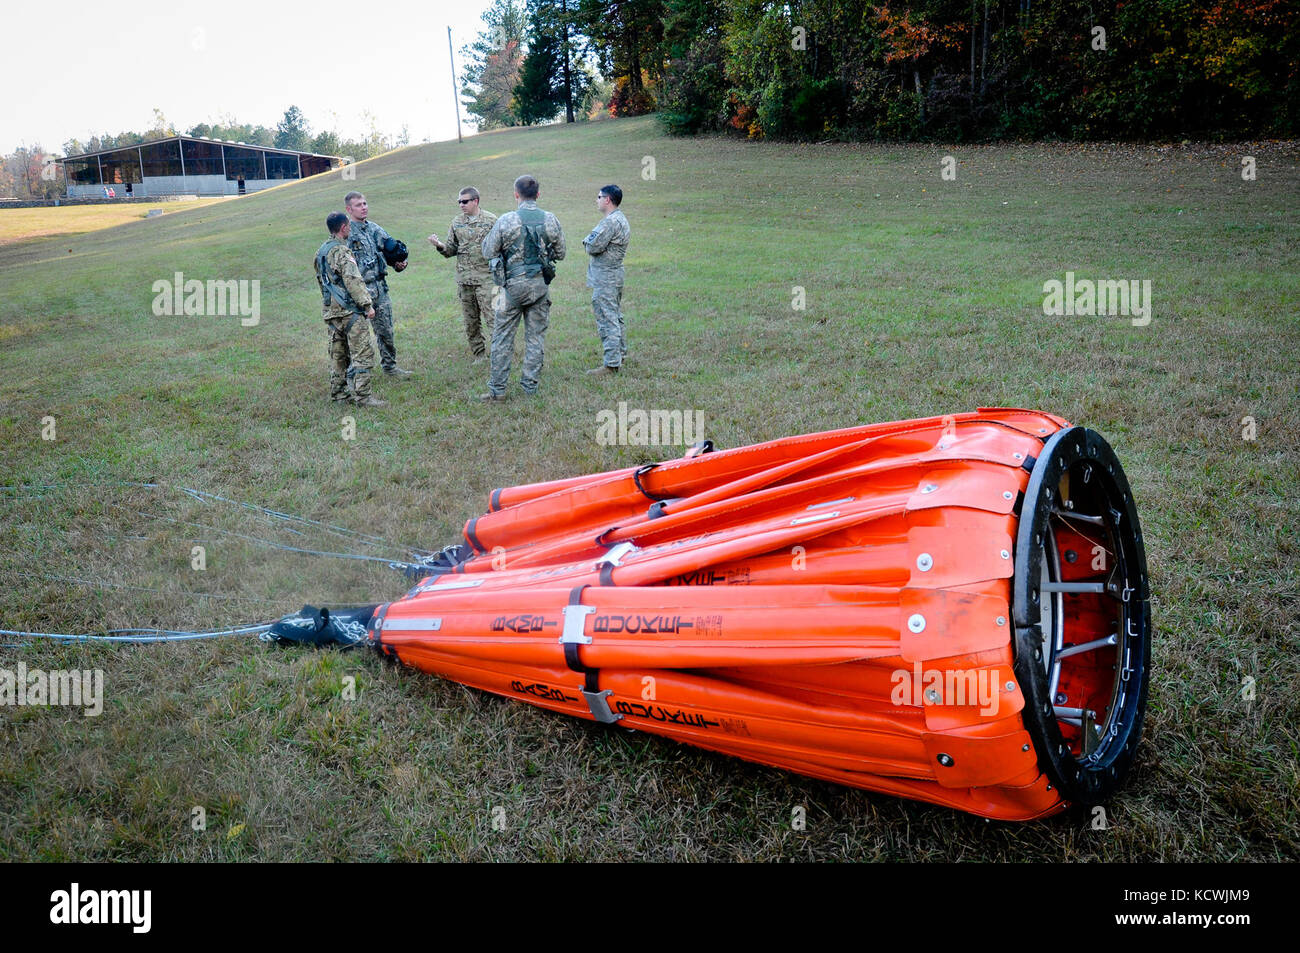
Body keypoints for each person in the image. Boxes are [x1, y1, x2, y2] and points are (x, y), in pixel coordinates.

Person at [478, 174, 565, 401]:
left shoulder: (506, 220)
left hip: (509, 289)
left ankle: (497, 391)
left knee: (501, 338)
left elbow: (487, 251)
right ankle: (530, 388)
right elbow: (561, 253)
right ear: (538, 194)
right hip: (539, 286)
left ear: (516, 195)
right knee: (535, 338)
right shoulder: (551, 219)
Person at [314, 211, 386, 407]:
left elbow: (322, 281)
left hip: (332, 311)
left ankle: (339, 394)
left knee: (338, 355)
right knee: (362, 354)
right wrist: (367, 305)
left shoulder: (321, 251)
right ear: (344, 227)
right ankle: (363, 397)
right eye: (348, 227)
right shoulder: (342, 252)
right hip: (350, 312)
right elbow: (353, 280)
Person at [345, 191, 412, 377]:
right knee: (357, 337)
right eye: (358, 205)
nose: (364, 207)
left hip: (380, 289)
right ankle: (355, 374)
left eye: (365, 203)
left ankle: (390, 367)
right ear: (349, 209)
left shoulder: (374, 228)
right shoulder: (347, 233)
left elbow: (390, 251)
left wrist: (398, 263)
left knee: (386, 332)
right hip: (359, 292)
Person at [428, 187, 498, 361]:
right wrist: (439, 245)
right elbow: (451, 249)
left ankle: (501, 355)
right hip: (464, 281)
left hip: (487, 280)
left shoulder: (491, 220)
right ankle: (479, 355)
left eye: (464, 201)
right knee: (471, 322)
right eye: (459, 202)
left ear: (476, 201)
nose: (461, 205)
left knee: (495, 320)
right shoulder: (457, 222)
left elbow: (501, 248)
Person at [582, 184, 631, 375]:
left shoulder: (610, 222)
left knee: (607, 317)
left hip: (606, 277)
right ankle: (620, 355)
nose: (597, 200)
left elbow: (592, 246)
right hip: (615, 274)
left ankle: (611, 364)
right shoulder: (620, 218)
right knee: (615, 316)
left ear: (608, 199)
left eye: (599, 196)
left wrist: (586, 242)